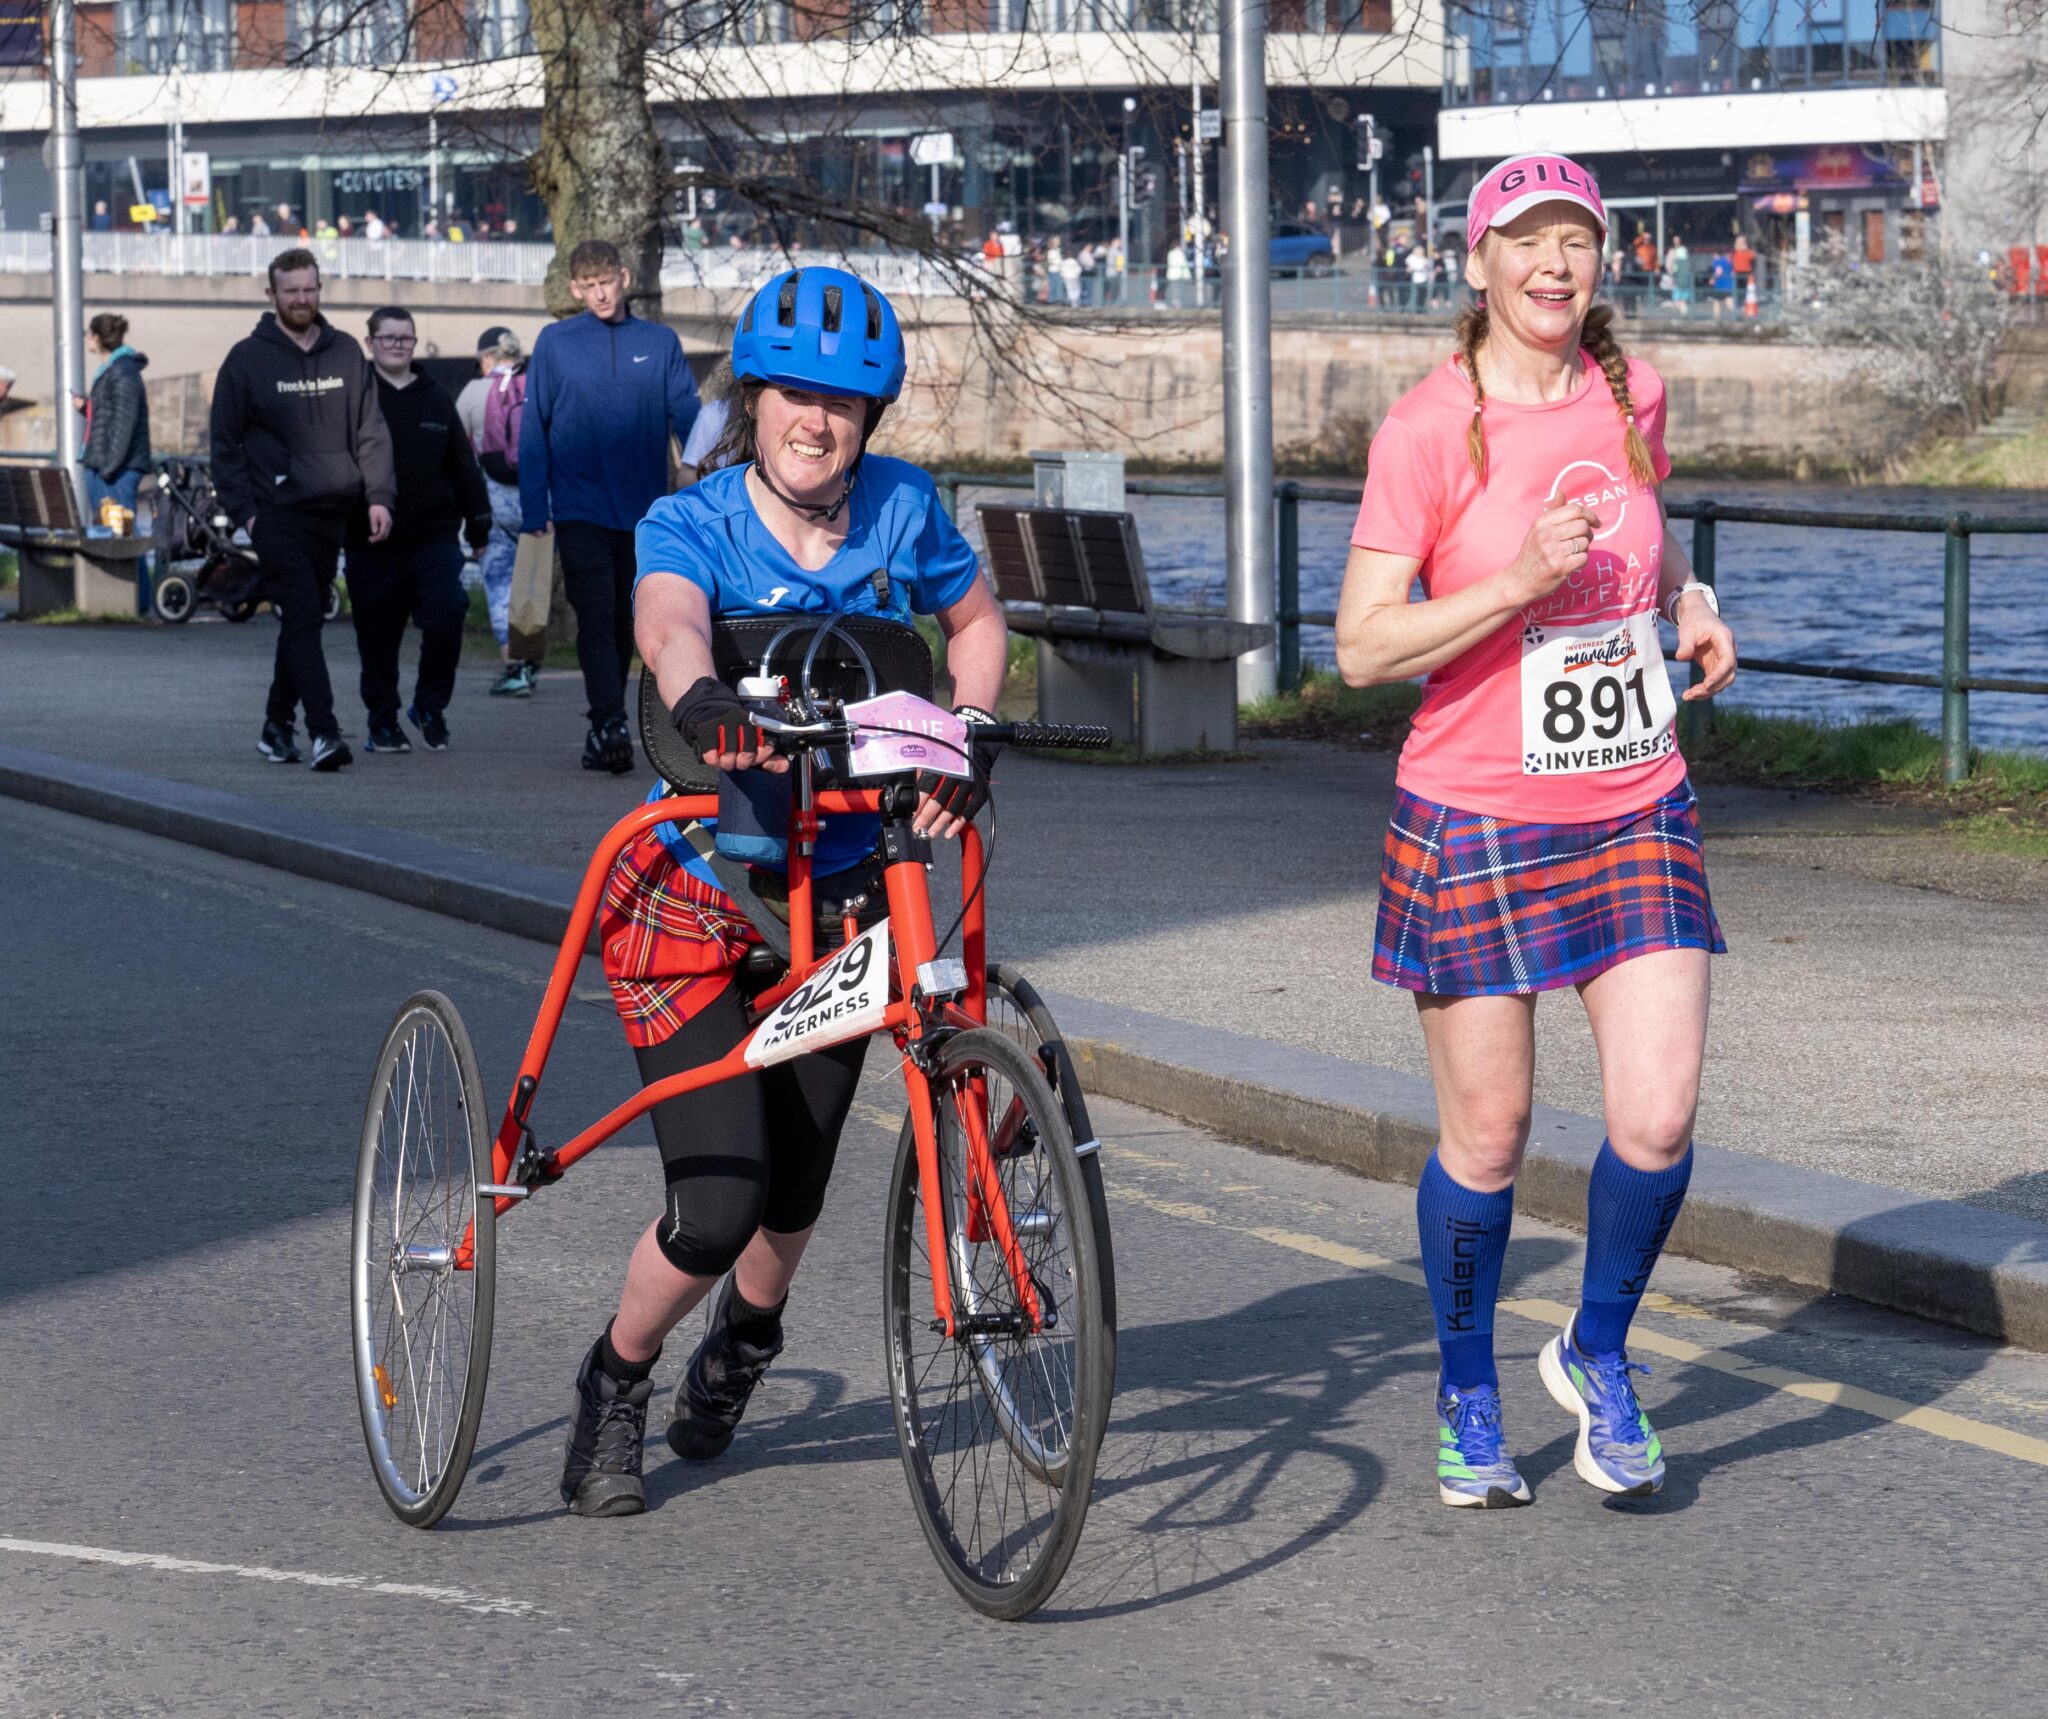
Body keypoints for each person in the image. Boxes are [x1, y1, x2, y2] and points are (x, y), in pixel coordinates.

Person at [557, 266, 1009, 1517]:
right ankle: (616, 1377)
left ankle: (746, 1343)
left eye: (844, 404)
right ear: (752, 401)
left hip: (846, 892)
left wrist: (967, 729)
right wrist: (700, 695)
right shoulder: (690, 521)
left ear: (871, 419)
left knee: (796, 1194)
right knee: (718, 1210)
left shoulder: (903, 509)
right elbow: (666, 621)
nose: (818, 422)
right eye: (795, 396)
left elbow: (976, 626)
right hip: (699, 903)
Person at [1334, 152, 1737, 1510]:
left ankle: (1596, 1351)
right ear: (1478, 264)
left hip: (1633, 799)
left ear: (1599, 261)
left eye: (1574, 241)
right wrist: (1513, 581)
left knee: (1659, 1112)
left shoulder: (1632, 392)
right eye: (1526, 241)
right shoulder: (1426, 431)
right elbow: (1361, 645)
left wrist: (1687, 599)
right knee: (1492, 1134)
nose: (1552, 265)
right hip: (1477, 812)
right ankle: (1466, 1386)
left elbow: (1646, 535)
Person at [208, 248, 395, 773]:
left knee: (301, 616)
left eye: (309, 289)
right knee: (305, 611)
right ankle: (324, 732)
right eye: (290, 290)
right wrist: (247, 514)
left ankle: (275, 726)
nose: (301, 299)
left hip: (333, 509)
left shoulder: (346, 352)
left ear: (319, 289)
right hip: (276, 512)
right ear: (271, 294)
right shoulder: (247, 359)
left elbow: (370, 430)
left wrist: (379, 496)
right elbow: (224, 446)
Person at [519, 238, 700, 773]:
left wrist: (702, 478)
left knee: (629, 621)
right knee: (596, 615)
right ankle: (608, 723)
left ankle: (614, 725)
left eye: (606, 283)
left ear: (624, 278)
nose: (600, 294)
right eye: (589, 286)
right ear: (575, 289)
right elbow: (534, 429)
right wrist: (533, 510)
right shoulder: (555, 343)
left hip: (647, 513)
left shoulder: (659, 342)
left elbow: (689, 419)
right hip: (578, 506)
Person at [346, 307, 491, 753]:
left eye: (405, 338)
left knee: (449, 612)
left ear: (414, 343)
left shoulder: (436, 398)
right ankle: (382, 721)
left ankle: (429, 705)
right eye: (388, 338)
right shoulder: (356, 396)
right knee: (378, 636)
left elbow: (463, 467)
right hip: (371, 540)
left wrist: (480, 524)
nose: (397, 345)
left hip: (433, 535)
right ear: (370, 343)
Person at [456, 326, 539, 695]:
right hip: (538, 503)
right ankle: (532, 663)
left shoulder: (474, 391)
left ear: (486, 359)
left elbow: (455, 451)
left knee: (500, 584)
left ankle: (514, 667)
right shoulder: (537, 387)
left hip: (493, 505)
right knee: (531, 586)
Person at [74, 313, 152, 534]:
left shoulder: (122, 371)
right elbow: (111, 414)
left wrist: (108, 468)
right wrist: (87, 407)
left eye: (88, 334)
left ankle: (137, 561)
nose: (87, 339)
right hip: (106, 466)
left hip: (117, 470)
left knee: (122, 536)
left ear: (97, 337)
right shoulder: (112, 370)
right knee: (111, 535)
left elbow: (124, 422)